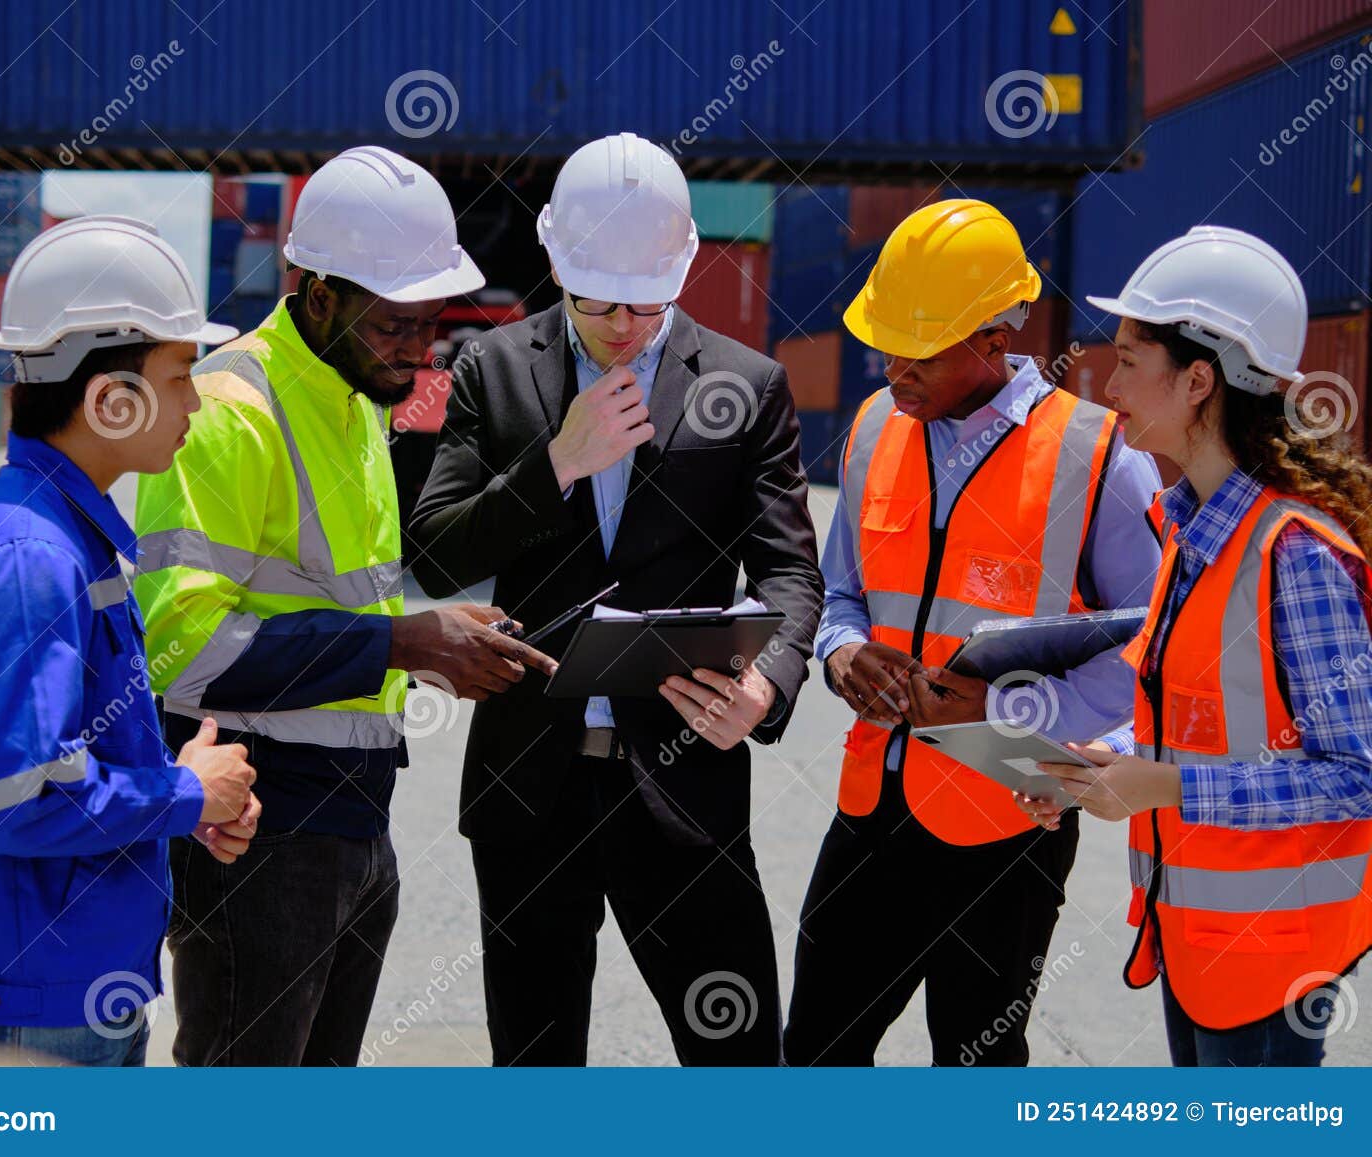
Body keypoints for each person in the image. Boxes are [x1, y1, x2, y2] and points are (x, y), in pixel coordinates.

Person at [407, 132, 823, 1066]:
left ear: (682, 268)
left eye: (647, 302)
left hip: (684, 782)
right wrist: (556, 463)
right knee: (536, 1063)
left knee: (739, 1062)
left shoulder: (745, 387)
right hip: (529, 793)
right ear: (554, 260)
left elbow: (792, 575)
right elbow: (434, 555)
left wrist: (765, 691)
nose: (625, 325)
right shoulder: (493, 370)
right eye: (598, 303)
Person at [134, 145, 556, 1067]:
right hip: (258, 832)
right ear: (319, 295)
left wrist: (437, 633)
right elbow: (181, 649)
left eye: (429, 323)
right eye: (394, 327)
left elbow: (338, 594)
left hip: (356, 822)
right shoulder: (230, 409)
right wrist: (405, 641)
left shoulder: (356, 393)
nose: (419, 350)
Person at [782, 199, 1164, 1067]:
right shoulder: (876, 427)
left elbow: (1148, 646)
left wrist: (1020, 705)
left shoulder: (1096, 457)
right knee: (812, 1055)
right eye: (885, 341)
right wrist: (842, 654)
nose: (890, 367)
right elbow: (841, 590)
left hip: (1008, 820)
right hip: (873, 805)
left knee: (977, 1066)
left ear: (994, 340)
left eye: (917, 348)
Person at [0, 216, 260, 1066]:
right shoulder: (32, 557)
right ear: (111, 398)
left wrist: (181, 804)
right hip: (30, 1007)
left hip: (54, 987)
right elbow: (21, 794)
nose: (196, 399)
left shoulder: (62, 532)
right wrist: (182, 794)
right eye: (180, 376)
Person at [1023, 226, 1372, 1067]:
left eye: (1129, 362)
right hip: (1202, 939)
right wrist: (1097, 767)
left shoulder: (1296, 554)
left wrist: (1163, 786)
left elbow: (1356, 774)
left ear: (1199, 380)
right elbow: (1204, 724)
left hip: (1278, 958)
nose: (1106, 388)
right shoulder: (1193, 531)